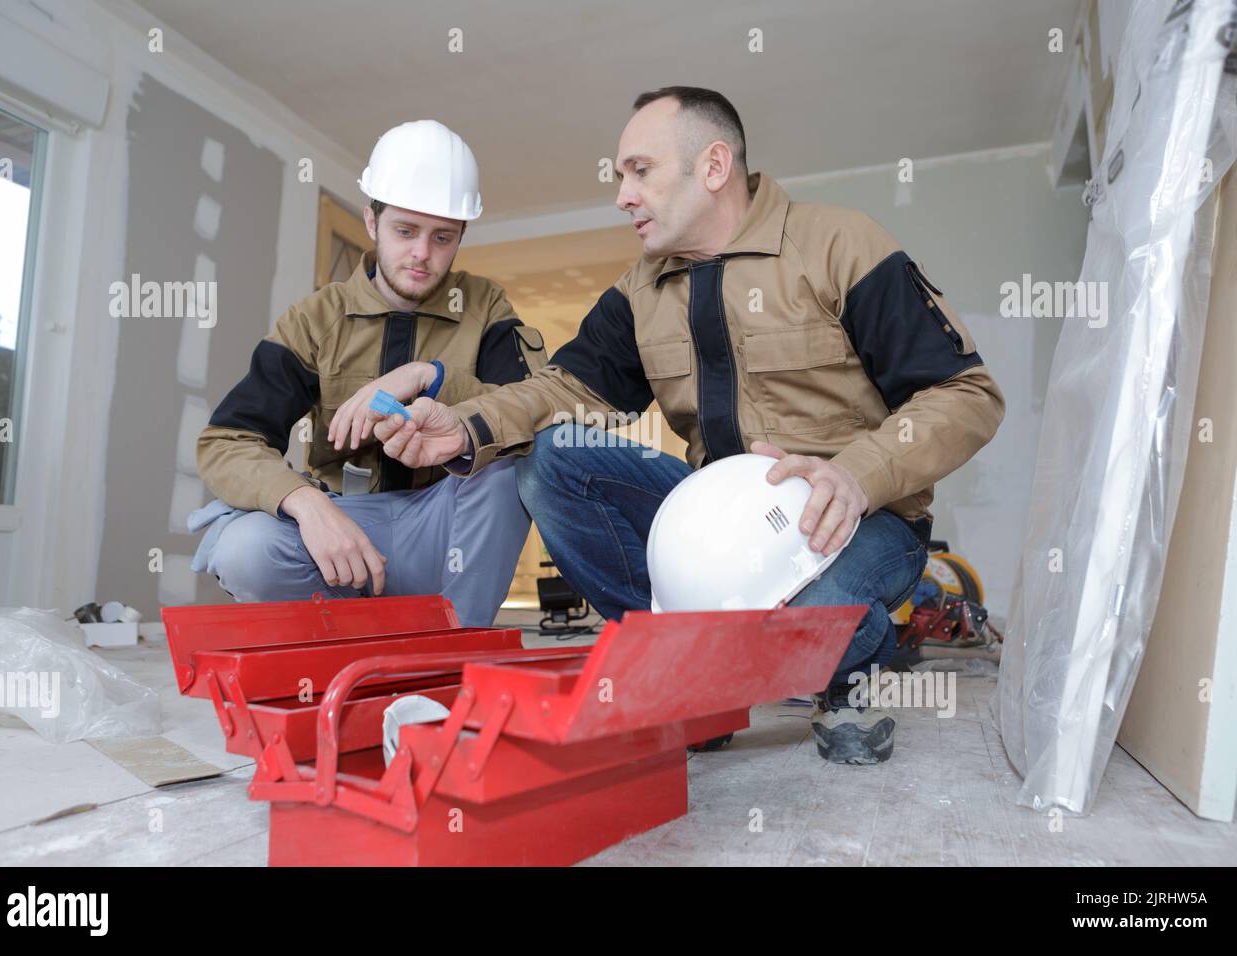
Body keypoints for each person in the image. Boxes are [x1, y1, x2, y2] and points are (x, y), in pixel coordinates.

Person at [371, 89, 1005, 762]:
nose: (622, 195)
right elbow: (565, 390)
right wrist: (466, 424)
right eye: (621, 175)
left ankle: (845, 676)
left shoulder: (840, 245)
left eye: (639, 170)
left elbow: (967, 394)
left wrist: (856, 474)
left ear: (713, 166)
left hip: (858, 518)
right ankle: (694, 675)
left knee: (804, 619)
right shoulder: (641, 292)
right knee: (554, 459)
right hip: (719, 523)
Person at [189, 120, 546, 627]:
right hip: (346, 530)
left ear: (461, 236)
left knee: (510, 457)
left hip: (444, 528)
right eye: (405, 231)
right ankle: (354, 633)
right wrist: (305, 502)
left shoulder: (484, 305)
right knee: (243, 549)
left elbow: (531, 404)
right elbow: (227, 441)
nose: (423, 253)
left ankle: (454, 645)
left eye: (443, 237)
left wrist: (430, 375)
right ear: (372, 222)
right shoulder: (314, 320)